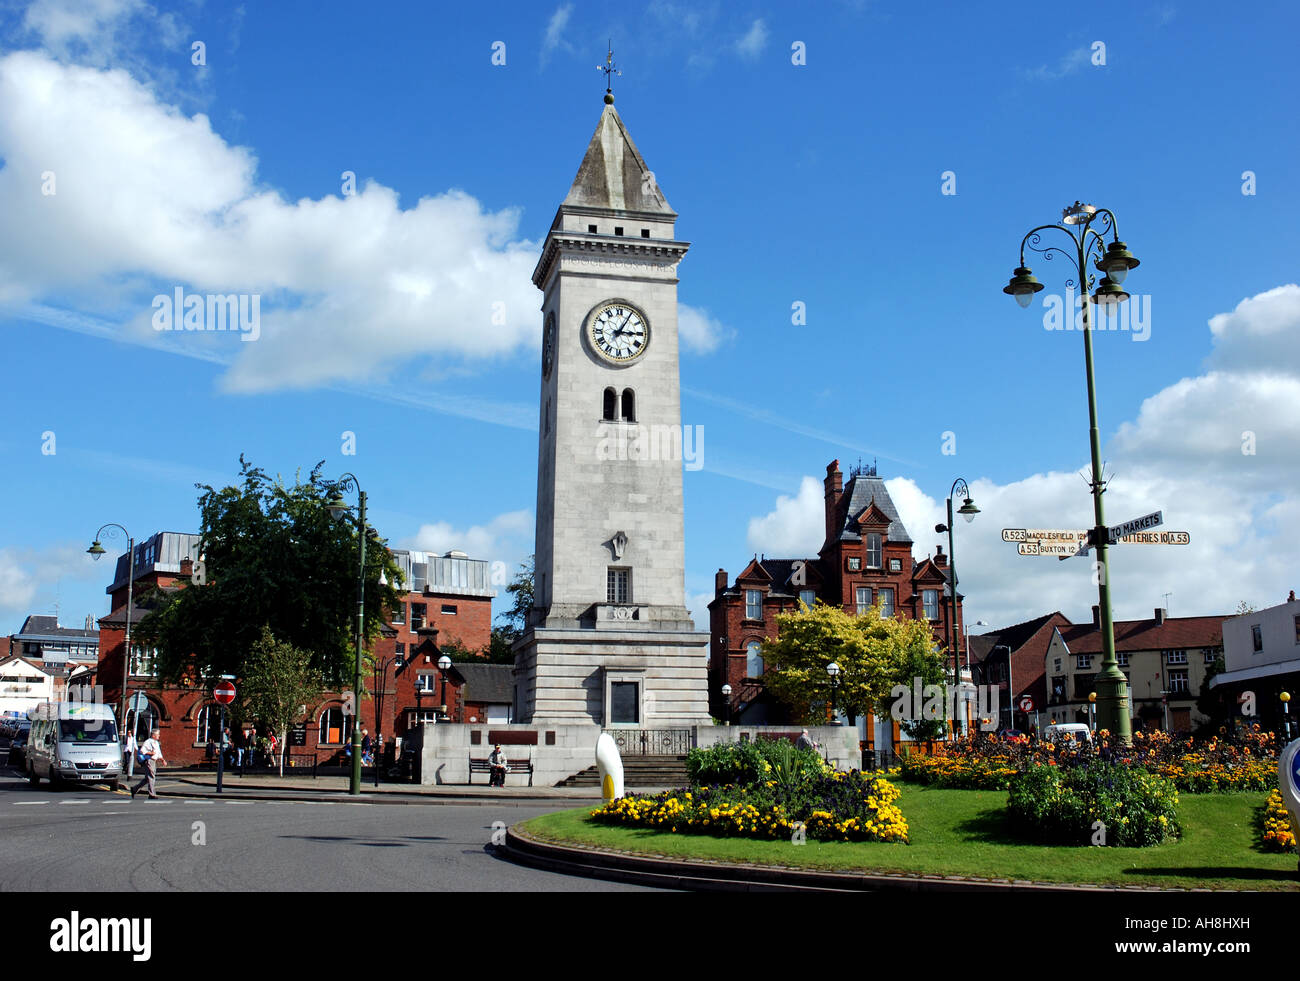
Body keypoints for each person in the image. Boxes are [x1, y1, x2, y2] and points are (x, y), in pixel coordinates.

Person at [131, 727, 165, 799]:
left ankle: (134, 789)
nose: (159, 736)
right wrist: (150, 753)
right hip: (149, 761)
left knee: (147, 779)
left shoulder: (156, 743)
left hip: (153, 761)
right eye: (158, 734)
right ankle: (152, 794)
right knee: (151, 777)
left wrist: (162, 760)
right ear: (153, 735)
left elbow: (158, 753)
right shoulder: (148, 742)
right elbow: (142, 751)